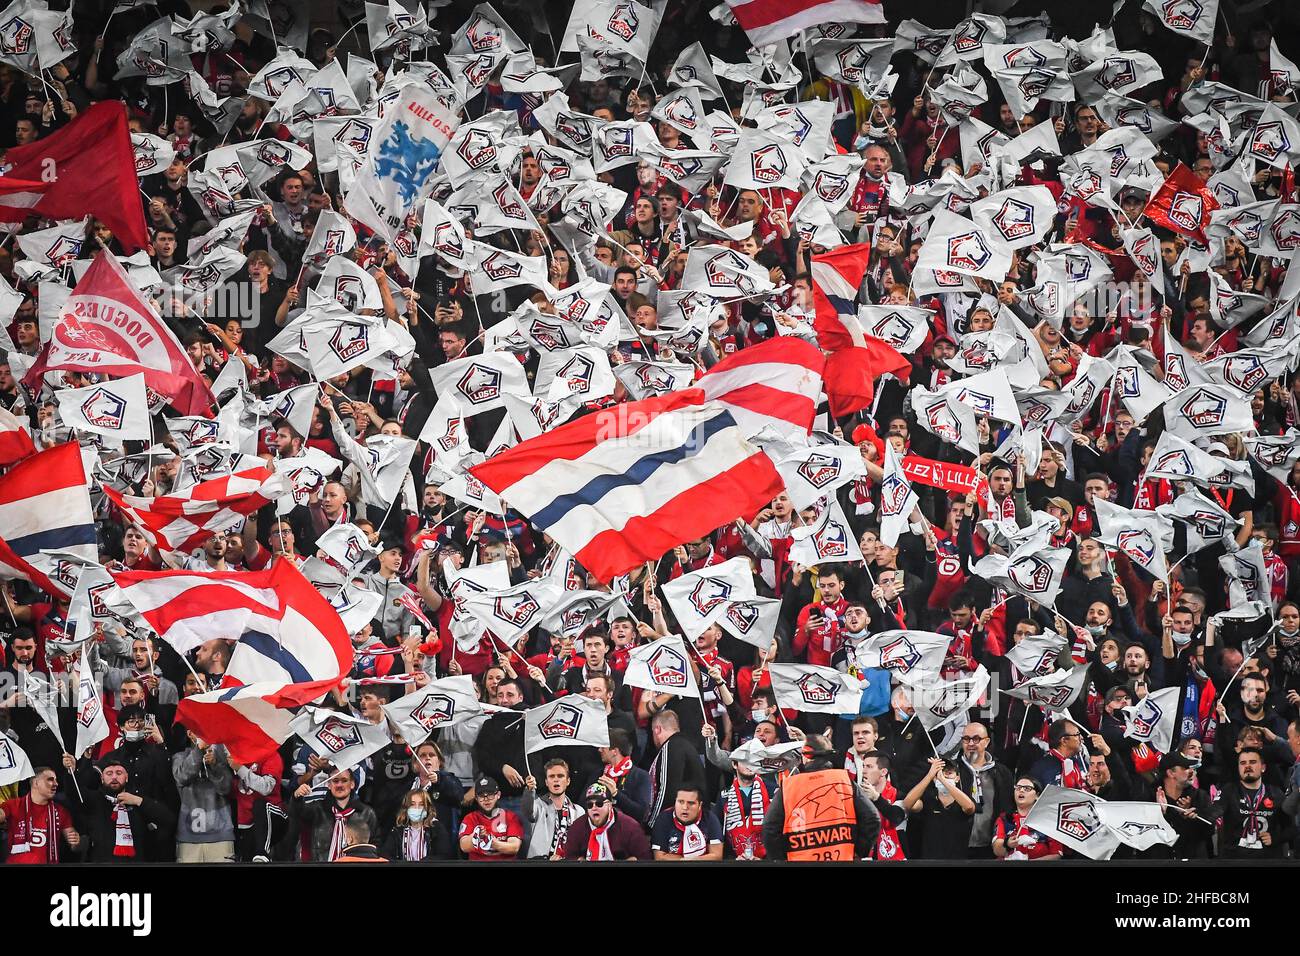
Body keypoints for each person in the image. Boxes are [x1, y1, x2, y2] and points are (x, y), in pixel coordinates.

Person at [762, 736, 880, 861]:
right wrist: (858, 851)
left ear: (806, 755)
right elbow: (872, 819)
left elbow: (770, 829)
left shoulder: (789, 786)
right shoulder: (845, 780)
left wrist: (780, 859)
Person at [82, 759, 177, 863]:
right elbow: (74, 793)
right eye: (109, 773)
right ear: (102, 779)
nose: (114, 777)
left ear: (126, 777)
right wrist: (71, 771)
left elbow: (169, 819)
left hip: (136, 862)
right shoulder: (94, 799)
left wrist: (138, 801)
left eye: (119, 773)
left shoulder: (137, 800)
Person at [293, 767, 378, 863]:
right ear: (329, 785)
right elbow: (295, 814)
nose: (339, 785)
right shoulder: (316, 809)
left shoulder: (366, 812)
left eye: (344, 780)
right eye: (335, 781)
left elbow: (375, 846)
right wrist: (296, 797)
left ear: (352, 784)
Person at [0, 766, 80, 863]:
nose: (56, 784)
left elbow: (74, 846)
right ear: (36, 783)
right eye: (50, 780)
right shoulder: (13, 805)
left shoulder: (61, 811)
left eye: (56, 780)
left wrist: (76, 842)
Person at [562, 783, 651, 861]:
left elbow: (645, 857)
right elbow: (569, 856)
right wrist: (578, 860)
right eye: (590, 805)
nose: (594, 808)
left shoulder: (630, 827)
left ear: (609, 805)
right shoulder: (577, 827)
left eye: (599, 803)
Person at [521, 759, 582, 859]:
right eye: (551, 776)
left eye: (560, 776)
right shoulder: (537, 806)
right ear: (546, 782)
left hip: (569, 862)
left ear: (568, 781)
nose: (556, 780)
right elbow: (528, 810)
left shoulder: (579, 811)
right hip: (541, 862)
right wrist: (530, 790)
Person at [992, 778, 1064, 861]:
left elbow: (1056, 854)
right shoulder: (1004, 818)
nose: (1021, 790)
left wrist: (1028, 863)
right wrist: (1007, 844)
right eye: (1018, 787)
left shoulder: (1048, 820)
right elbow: (997, 851)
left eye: (1027, 788)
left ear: (1037, 795)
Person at [458, 776, 524, 861]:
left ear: (498, 795)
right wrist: (475, 836)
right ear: (476, 798)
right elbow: (464, 846)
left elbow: (514, 847)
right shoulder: (470, 818)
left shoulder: (510, 817)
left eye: (490, 794)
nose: (486, 799)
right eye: (481, 795)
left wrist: (493, 843)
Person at [651, 786, 725, 860]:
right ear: (675, 802)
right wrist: (685, 862)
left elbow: (716, 855)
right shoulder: (663, 819)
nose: (685, 807)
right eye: (680, 802)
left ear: (700, 805)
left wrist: (692, 862)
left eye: (691, 803)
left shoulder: (710, 818)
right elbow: (659, 857)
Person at [380, 790, 453, 862]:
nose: (417, 808)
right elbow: (386, 855)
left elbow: (444, 856)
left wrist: (424, 863)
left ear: (427, 808)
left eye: (421, 804)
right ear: (406, 808)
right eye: (412, 804)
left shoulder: (436, 828)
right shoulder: (398, 830)